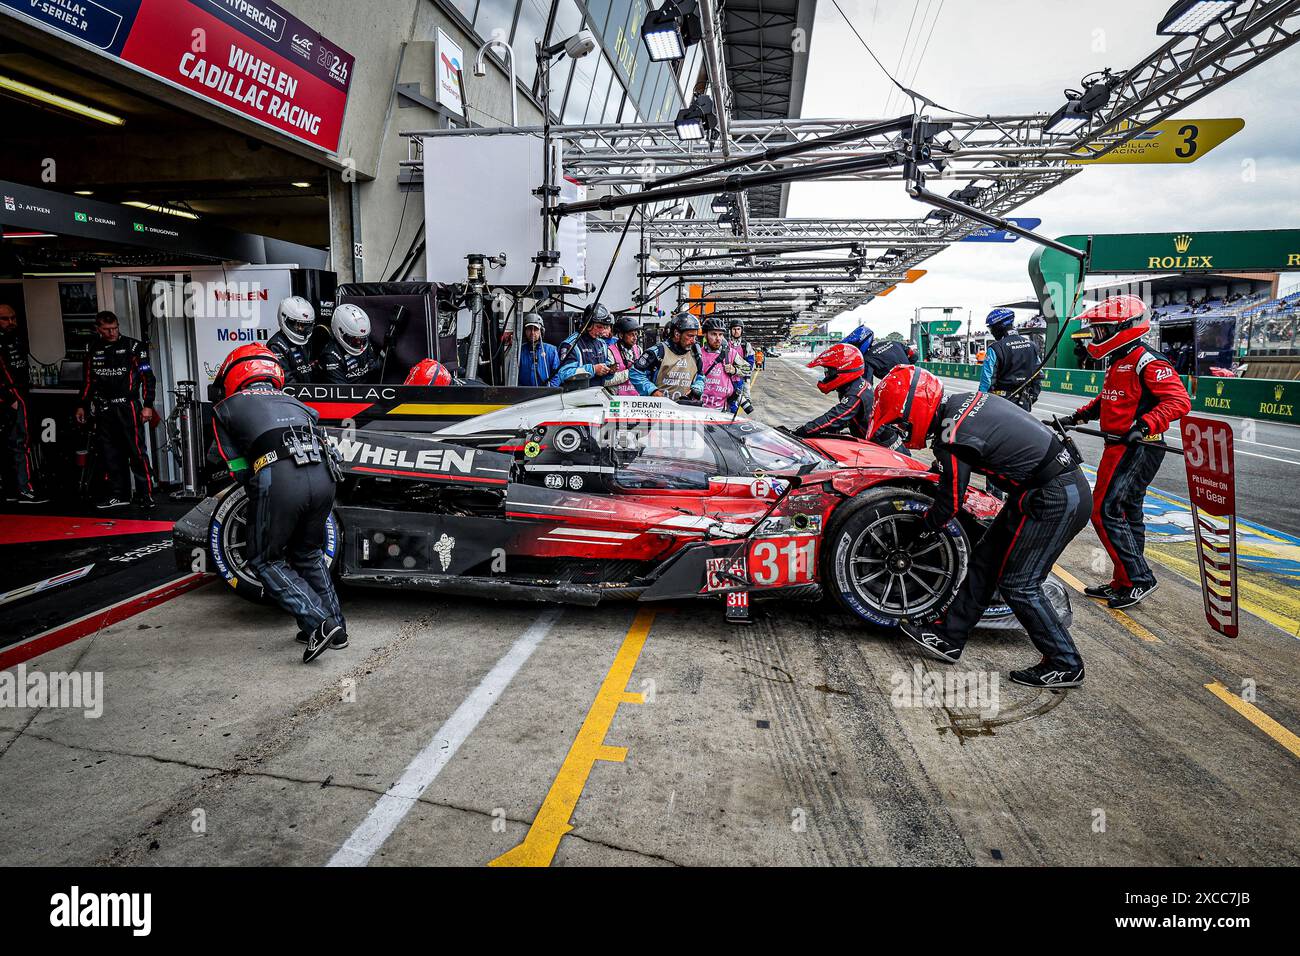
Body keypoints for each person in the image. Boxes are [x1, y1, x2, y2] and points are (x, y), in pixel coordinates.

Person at [874, 366, 1093, 689]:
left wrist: (919, 533)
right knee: (984, 562)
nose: (902, 431)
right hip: (1041, 492)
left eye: (900, 423)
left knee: (1019, 584)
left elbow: (948, 504)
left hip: (1056, 498)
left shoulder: (951, 435)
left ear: (914, 410)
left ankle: (1066, 663)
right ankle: (949, 637)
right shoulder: (962, 403)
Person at [210, 343, 345, 663]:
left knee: (264, 559)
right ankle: (336, 626)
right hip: (325, 478)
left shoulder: (226, 408)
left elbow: (239, 470)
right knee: (308, 552)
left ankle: (318, 622)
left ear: (234, 374)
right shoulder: (300, 404)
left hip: (280, 478)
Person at [1063, 294, 1191, 610]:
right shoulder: (1121, 359)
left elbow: (1179, 402)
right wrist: (1077, 417)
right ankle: (1124, 581)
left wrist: (1145, 425)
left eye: (1101, 330)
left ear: (1124, 327)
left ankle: (1139, 578)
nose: (1096, 337)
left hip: (1137, 448)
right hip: (1118, 446)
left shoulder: (1149, 361)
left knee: (1103, 511)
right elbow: (1109, 399)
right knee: (1126, 511)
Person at [76, 311, 156, 510]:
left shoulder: (134, 347)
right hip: (104, 408)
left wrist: (148, 405)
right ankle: (119, 494)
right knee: (111, 454)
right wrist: (82, 405)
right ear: (98, 329)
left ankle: (146, 495)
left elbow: (148, 378)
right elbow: (87, 381)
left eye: (115, 328)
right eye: (107, 329)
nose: (112, 332)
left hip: (128, 406)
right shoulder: (93, 349)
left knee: (137, 452)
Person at [793, 343, 900, 448]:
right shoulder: (856, 385)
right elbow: (845, 420)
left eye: (829, 372)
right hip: (878, 440)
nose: (827, 375)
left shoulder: (856, 393)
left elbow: (834, 418)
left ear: (844, 368)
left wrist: (803, 431)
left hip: (884, 445)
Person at [0, 304, 46, 503]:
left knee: (17, 443)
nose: (11, 322)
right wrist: (10, 398)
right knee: (19, 443)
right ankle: (22, 489)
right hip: (11, 398)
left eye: (13, 318)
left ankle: (13, 489)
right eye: (5, 319)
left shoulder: (16, 339)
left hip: (20, 395)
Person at [978, 308, 1042, 411]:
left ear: (999, 326)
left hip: (1001, 403)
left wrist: (979, 403)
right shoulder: (1032, 346)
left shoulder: (995, 348)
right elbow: (1038, 375)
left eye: (992, 328)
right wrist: (1032, 397)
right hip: (1023, 403)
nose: (992, 332)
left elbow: (987, 380)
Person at [630, 312, 704, 400]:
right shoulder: (658, 351)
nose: (693, 341)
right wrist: (652, 391)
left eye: (695, 336)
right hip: (659, 408)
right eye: (690, 336)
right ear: (677, 334)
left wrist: (697, 388)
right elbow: (635, 372)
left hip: (684, 408)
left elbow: (700, 375)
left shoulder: (695, 353)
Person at [553, 304, 618, 388]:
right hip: (576, 396)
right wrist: (593, 369)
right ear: (588, 324)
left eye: (604, 327)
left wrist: (609, 371)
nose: (602, 331)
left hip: (597, 394)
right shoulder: (570, 344)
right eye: (599, 327)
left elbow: (602, 373)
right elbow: (564, 373)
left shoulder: (602, 343)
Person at [316, 303, 383, 384]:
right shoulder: (331, 356)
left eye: (362, 339)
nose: (359, 343)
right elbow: (342, 392)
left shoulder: (365, 342)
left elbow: (375, 370)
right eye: (354, 339)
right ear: (340, 331)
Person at [697, 316, 750, 411]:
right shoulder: (698, 354)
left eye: (720, 334)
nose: (718, 338)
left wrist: (735, 370)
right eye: (714, 334)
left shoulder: (730, 353)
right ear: (705, 334)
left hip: (722, 409)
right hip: (699, 407)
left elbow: (747, 369)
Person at [266, 295, 318, 383]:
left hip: (309, 392)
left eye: (305, 325)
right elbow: (287, 381)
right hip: (295, 393)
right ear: (284, 319)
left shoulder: (304, 342)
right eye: (296, 324)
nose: (301, 329)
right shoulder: (276, 346)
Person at [517, 314, 559, 387]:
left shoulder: (551, 350)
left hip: (546, 394)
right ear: (525, 332)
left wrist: (549, 391)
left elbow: (557, 375)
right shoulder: (519, 351)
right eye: (529, 329)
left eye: (536, 329)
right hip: (524, 394)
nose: (532, 333)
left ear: (541, 331)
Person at [607, 314, 643, 397]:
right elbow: (606, 381)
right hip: (617, 399)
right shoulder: (610, 352)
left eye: (636, 334)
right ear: (621, 335)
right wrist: (630, 372)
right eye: (631, 334)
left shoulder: (638, 350)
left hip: (636, 398)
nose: (635, 338)